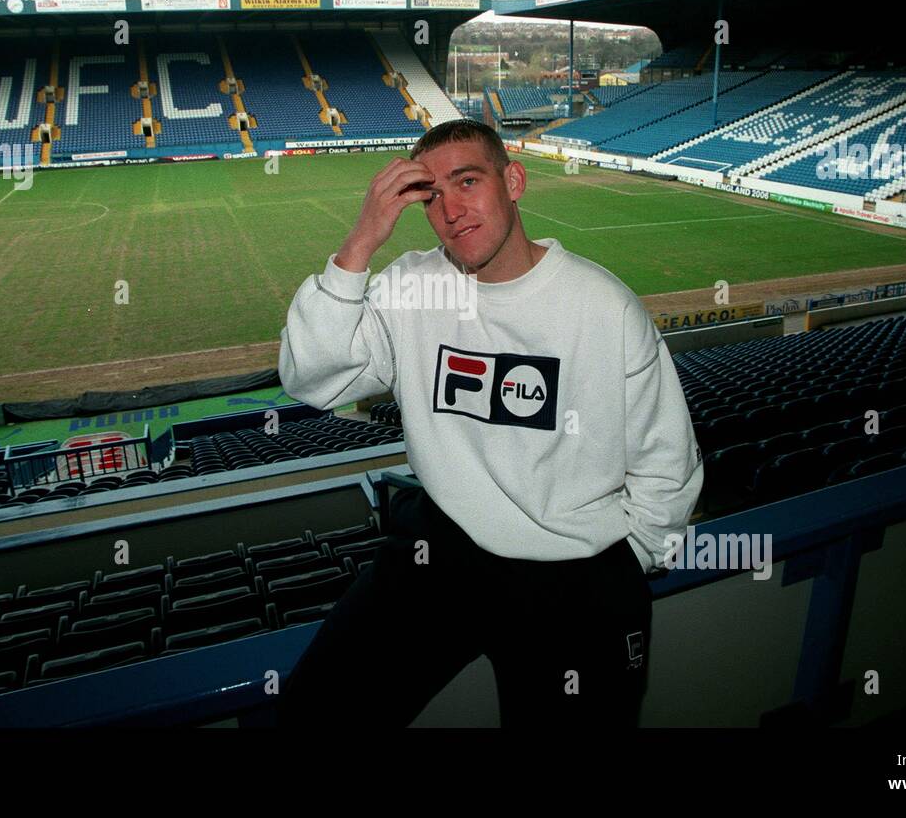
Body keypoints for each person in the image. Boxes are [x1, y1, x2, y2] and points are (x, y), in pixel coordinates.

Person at [275, 119, 703, 727]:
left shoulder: (603, 307)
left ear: (514, 180)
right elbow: (314, 377)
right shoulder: (412, 288)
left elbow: (667, 462)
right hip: (442, 551)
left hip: (575, 573)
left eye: (468, 181)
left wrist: (626, 561)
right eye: (432, 196)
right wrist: (361, 243)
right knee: (312, 714)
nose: (451, 210)